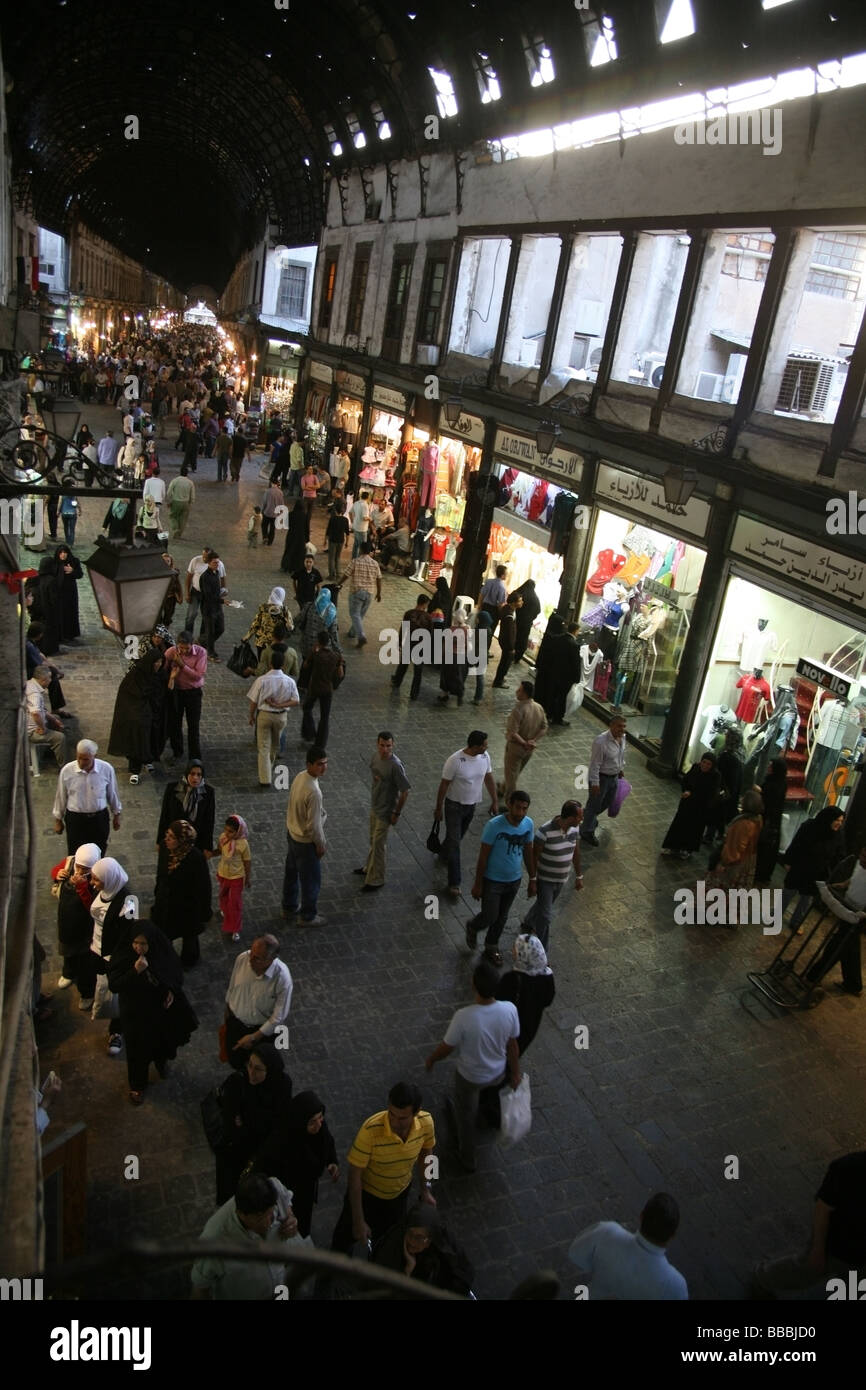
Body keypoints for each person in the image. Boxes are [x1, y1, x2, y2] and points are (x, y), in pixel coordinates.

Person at [425, 962, 520, 1173]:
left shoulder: (464, 1017)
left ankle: (467, 1158)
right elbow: (513, 1045)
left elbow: (446, 1048)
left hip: (470, 1078)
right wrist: (515, 1073)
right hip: (497, 1073)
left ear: (473, 986)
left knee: (465, 1115)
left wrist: (431, 1059)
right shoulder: (509, 1010)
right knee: (485, 1094)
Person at [331, 1082, 436, 1253]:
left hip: (399, 1196)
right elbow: (354, 1175)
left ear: (416, 1113)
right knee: (345, 1236)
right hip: (367, 1196)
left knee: (387, 1239)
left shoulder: (427, 1122)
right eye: (391, 1114)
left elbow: (429, 1154)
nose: (394, 1121)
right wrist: (359, 1220)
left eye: (402, 1118)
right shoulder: (370, 1130)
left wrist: (428, 1189)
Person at [752, 1148, 866, 1297]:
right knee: (806, 1270)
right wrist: (817, 1250)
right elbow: (822, 1209)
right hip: (838, 1247)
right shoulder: (848, 1168)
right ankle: (764, 1277)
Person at [107, 923, 198, 1105]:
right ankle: (138, 1085)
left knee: (160, 1042)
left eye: (144, 944)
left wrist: (171, 991)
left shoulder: (161, 953)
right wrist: (135, 971)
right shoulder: (124, 956)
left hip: (158, 1012)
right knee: (136, 1051)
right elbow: (115, 984)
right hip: (135, 1014)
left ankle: (160, 1063)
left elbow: (173, 974)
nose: (139, 948)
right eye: (136, 943)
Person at [190, 1172, 300, 1300]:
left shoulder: (276, 1188)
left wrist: (291, 1218)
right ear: (240, 1213)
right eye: (259, 1219)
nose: (267, 1223)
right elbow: (200, 1289)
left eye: (270, 1214)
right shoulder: (214, 1240)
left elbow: (287, 1204)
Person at [214, 1043, 294, 1205]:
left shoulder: (283, 1084)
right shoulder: (238, 1081)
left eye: (258, 1069)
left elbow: (281, 1120)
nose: (252, 1072)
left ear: (270, 1070)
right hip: (237, 1148)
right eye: (250, 1065)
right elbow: (230, 1120)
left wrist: (245, 1121)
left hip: (265, 1148)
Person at [568, 1193, 689, 1300]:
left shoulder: (607, 1232)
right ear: (672, 1235)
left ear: (641, 1216)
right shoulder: (675, 1285)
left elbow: (576, 1254)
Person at [254, 1090, 339, 1238]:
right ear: (300, 1120)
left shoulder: (319, 1128)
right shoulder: (281, 1142)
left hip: (305, 1191)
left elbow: (327, 1142)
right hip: (287, 1195)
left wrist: (332, 1161)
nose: (319, 1124)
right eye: (312, 1121)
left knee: (302, 1223)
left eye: (320, 1118)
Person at [465, 790, 535, 967]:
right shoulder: (494, 826)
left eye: (524, 809)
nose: (520, 813)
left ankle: (491, 945)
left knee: (502, 917)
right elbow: (483, 856)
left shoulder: (528, 824)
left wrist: (533, 878)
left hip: (514, 879)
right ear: (510, 804)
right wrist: (478, 884)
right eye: (517, 808)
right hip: (493, 880)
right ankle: (474, 926)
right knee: (490, 915)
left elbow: (528, 850)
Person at [434, 731, 498, 899]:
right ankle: (454, 882)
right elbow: (444, 785)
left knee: (457, 837)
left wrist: (495, 800)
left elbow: (489, 778)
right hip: (454, 806)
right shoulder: (455, 760)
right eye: (484, 744)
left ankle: (443, 853)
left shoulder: (485, 757)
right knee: (456, 844)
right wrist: (438, 808)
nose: (487, 747)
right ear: (475, 746)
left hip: (471, 806)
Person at [371, 1206, 474, 1295]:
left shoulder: (443, 1243)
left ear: (430, 1240)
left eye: (419, 1237)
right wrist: (407, 1271)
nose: (411, 1241)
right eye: (410, 1233)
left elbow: (464, 1273)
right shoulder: (392, 1248)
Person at [223, 934, 293, 1066]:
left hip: (262, 1032)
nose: (251, 959)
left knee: (261, 1065)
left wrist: (254, 1037)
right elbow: (232, 986)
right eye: (251, 953)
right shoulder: (243, 958)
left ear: (271, 959)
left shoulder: (282, 978)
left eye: (257, 958)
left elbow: (279, 1017)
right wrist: (227, 1010)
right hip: (236, 1023)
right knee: (235, 1061)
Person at [354, 732, 411, 892]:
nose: (384, 749)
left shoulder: (395, 766)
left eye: (388, 746)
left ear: (393, 746)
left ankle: (376, 879)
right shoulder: (375, 758)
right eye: (382, 745)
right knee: (373, 840)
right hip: (375, 806)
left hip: (386, 811)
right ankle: (369, 868)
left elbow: (405, 791)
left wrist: (396, 813)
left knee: (379, 844)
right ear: (377, 744)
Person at [151, 820, 213, 967]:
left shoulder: (196, 858)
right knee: (164, 935)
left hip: (186, 907)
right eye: (167, 834)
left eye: (171, 837)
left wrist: (204, 912)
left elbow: (204, 887)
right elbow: (161, 873)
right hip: (166, 903)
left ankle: (189, 961)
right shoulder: (166, 849)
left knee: (189, 937)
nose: (166, 839)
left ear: (182, 841)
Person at [107, 642, 168, 785]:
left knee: (151, 736)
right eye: (156, 662)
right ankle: (135, 770)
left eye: (160, 662)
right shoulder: (136, 675)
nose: (158, 665)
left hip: (154, 713)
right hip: (137, 713)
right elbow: (129, 696)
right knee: (138, 736)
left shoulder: (160, 675)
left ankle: (148, 760)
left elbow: (163, 693)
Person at [283, 746, 328, 926]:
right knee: (310, 880)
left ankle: (289, 906)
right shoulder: (314, 792)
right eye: (319, 765)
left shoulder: (300, 776)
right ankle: (308, 916)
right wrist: (320, 844)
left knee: (291, 874)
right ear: (309, 764)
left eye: (325, 764)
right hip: (305, 842)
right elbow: (314, 826)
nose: (323, 768)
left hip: (292, 834)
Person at [52, 841, 101, 1006]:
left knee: (84, 961)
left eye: (85, 870)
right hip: (66, 922)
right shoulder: (70, 861)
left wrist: (81, 887)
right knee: (67, 950)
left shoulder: (98, 878)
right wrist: (57, 874)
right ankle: (68, 973)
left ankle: (87, 993)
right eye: (78, 867)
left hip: (85, 928)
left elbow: (92, 907)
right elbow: (55, 870)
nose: (79, 871)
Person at [781, 806, 845, 933]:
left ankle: (796, 922)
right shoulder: (809, 827)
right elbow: (796, 844)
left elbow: (839, 855)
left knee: (807, 899)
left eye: (842, 821)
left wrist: (831, 874)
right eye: (837, 820)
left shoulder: (838, 835)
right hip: (800, 866)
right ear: (828, 819)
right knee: (788, 892)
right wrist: (788, 861)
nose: (839, 823)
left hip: (818, 873)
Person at [52, 739, 122, 854]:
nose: (81, 762)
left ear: (95, 756)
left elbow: (112, 793)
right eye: (78, 758)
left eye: (85, 759)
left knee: (99, 851)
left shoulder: (106, 769)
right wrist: (58, 820)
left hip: (99, 819)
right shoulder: (67, 771)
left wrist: (117, 815)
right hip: (76, 820)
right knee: (75, 853)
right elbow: (61, 796)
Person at [495, 934, 556, 1054]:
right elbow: (548, 1000)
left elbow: (498, 1000)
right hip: (531, 1025)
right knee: (519, 1050)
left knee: (506, 1052)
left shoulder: (511, 979)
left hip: (510, 1026)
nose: (513, 950)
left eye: (516, 948)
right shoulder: (547, 976)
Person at [247, 652, 299, 786]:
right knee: (274, 745)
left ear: (270, 664)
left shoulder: (262, 680)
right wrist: (280, 705)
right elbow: (295, 701)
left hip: (264, 715)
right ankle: (268, 768)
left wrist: (251, 715)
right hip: (281, 717)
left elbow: (253, 700)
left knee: (263, 746)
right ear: (283, 665)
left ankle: (265, 778)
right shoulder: (289, 681)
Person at [660, 754, 722, 860]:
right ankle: (673, 846)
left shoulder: (715, 776)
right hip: (687, 804)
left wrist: (692, 794)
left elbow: (710, 794)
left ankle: (687, 849)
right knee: (679, 825)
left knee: (693, 829)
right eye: (704, 762)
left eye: (708, 764)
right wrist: (686, 790)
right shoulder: (695, 768)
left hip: (700, 808)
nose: (705, 766)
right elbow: (686, 780)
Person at [704, 789, 765, 896]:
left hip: (734, 864)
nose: (741, 800)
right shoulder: (758, 819)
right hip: (747, 861)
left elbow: (736, 847)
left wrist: (723, 863)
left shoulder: (743, 824)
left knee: (717, 889)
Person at [580, 713, 628, 847]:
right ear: (611, 725)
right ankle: (586, 831)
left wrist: (620, 768)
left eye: (624, 726)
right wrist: (595, 783)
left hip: (614, 777)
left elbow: (620, 754)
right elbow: (595, 764)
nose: (622, 729)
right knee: (595, 804)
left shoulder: (623, 738)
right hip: (601, 778)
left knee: (608, 801)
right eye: (619, 726)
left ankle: (589, 815)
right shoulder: (601, 741)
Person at [157, 758, 216, 856]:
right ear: (187, 773)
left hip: (196, 843)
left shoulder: (208, 793)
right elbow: (165, 816)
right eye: (192, 774)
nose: (195, 778)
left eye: (199, 775)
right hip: (175, 840)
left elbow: (209, 821)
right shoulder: (173, 789)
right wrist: (160, 841)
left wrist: (207, 846)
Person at [164, 631, 207, 761]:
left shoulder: (201, 653)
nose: (183, 651)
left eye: (186, 648)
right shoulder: (172, 652)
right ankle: (177, 752)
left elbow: (197, 675)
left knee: (193, 725)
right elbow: (163, 669)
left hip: (193, 693)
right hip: (177, 693)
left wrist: (182, 665)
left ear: (192, 644)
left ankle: (194, 757)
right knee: (175, 724)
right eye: (181, 648)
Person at [501, 679, 547, 798]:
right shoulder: (539, 707)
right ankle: (502, 787)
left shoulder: (519, 709)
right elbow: (544, 727)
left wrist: (524, 743)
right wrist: (533, 741)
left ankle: (510, 800)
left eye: (519, 690)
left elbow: (513, 731)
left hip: (516, 748)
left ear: (525, 693)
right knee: (515, 773)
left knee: (511, 775)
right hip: (529, 750)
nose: (517, 691)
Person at [300, 630, 343, 748]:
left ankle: (309, 732)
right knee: (324, 717)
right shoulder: (336, 656)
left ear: (318, 641)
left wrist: (312, 652)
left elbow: (305, 665)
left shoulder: (316, 654)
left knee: (307, 708)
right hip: (327, 689)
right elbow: (340, 674)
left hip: (314, 687)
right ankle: (321, 742)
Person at [390, 594, 432, 701]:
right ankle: (414, 693)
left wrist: (400, 642)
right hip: (421, 645)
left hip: (409, 642)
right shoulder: (428, 617)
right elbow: (430, 634)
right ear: (425, 604)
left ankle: (397, 682)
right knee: (418, 671)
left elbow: (403, 629)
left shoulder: (409, 614)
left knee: (403, 665)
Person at [216, 814, 252, 943]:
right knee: (223, 896)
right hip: (223, 873)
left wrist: (247, 878)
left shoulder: (243, 844)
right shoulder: (223, 838)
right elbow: (220, 851)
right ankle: (225, 911)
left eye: (231, 831)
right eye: (226, 830)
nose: (227, 833)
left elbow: (247, 861)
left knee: (235, 903)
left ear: (239, 831)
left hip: (236, 876)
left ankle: (235, 928)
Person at [342, 541, 382, 648]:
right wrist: (379, 593)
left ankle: (361, 636)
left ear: (360, 550)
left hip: (357, 592)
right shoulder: (375, 563)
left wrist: (338, 584)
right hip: (369, 593)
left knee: (355, 614)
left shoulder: (355, 561)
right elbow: (379, 579)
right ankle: (352, 632)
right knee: (360, 615)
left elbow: (346, 574)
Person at [756, 756, 789, 882]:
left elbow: (768, 802)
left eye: (771, 766)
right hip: (773, 820)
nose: (768, 768)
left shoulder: (773, 784)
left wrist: (760, 792)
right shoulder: (781, 782)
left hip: (767, 820)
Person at [25, 666, 66, 766]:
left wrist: (54, 720)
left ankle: (54, 750)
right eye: (50, 678)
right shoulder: (35, 694)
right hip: (31, 731)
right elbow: (35, 713)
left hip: (33, 723)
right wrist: (42, 727)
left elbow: (42, 709)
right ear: (43, 679)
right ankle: (64, 766)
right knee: (60, 737)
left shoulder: (30, 683)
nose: (51, 680)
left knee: (56, 719)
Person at [50, 545, 83, 644]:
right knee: (59, 613)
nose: (63, 555)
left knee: (70, 612)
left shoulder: (74, 561)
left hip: (70, 593)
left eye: (65, 552)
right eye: (61, 552)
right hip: (58, 593)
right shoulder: (54, 563)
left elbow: (80, 574)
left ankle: (70, 634)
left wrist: (72, 571)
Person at [199, 552, 226, 661]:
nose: (217, 564)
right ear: (209, 563)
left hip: (217, 608)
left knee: (220, 628)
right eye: (215, 562)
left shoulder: (217, 573)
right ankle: (211, 652)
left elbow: (216, 590)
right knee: (210, 631)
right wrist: (222, 601)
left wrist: (222, 592)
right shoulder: (205, 577)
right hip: (208, 609)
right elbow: (208, 595)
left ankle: (202, 642)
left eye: (218, 562)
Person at [491, 594, 521, 689]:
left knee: (504, 661)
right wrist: (511, 647)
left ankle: (500, 679)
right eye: (520, 600)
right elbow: (509, 633)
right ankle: (498, 681)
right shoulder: (509, 615)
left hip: (504, 640)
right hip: (507, 643)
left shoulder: (508, 609)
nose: (522, 602)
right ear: (513, 603)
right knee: (505, 663)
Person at [510, 579, 541, 664]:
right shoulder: (535, 598)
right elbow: (538, 610)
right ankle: (518, 657)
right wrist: (531, 618)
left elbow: (510, 600)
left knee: (514, 636)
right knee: (523, 639)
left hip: (516, 620)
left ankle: (510, 654)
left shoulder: (519, 593)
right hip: (526, 623)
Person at [166, 468, 195, 538]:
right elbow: (193, 495)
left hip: (176, 501)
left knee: (172, 516)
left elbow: (169, 492)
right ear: (187, 473)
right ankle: (179, 534)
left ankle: (175, 528)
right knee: (183, 519)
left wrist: (168, 501)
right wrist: (191, 503)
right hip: (186, 503)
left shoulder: (175, 481)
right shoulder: (190, 482)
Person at [325, 499, 350, 579]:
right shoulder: (345, 520)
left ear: (335, 510)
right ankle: (338, 573)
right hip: (341, 540)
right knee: (338, 557)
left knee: (331, 558)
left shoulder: (332, 519)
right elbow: (347, 533)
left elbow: (328, 531)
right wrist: (347, 542)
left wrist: (325, 540)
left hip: (333, 540)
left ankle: (332, 575)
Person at [479, 565, 508, 633]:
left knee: (481, 627)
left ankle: (478, 642)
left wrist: (480, 605)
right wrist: (501, 614)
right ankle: (485, 643)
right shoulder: (502, 588)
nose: (507, 575)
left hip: (485, 606)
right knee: (489, 631)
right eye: (506, 574)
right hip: (493, 611)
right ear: (502, 575)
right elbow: (500, 604)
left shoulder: (488, 581)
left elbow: (481, 594)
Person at [261, 480, 284, 546]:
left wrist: (262, 510)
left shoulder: (268, 491)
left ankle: (265, 537)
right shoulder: (280, 492)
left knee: (264, 525)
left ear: (272, 483)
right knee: (272, 528)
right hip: (275, 514)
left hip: (267, 512)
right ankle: (270, 541)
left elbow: (264, 502)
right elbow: (281, 503)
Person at [351, 490, 371, 558]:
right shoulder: (365, 505)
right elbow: (365, 518)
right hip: (362, 529)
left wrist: (353, 521)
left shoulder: (356, 503)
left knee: (356, 544)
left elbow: (350, 512)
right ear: (368, 497)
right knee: (362, 546)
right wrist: (370, 519)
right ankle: (360, 559)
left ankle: (354, 559)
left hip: (356, 526)